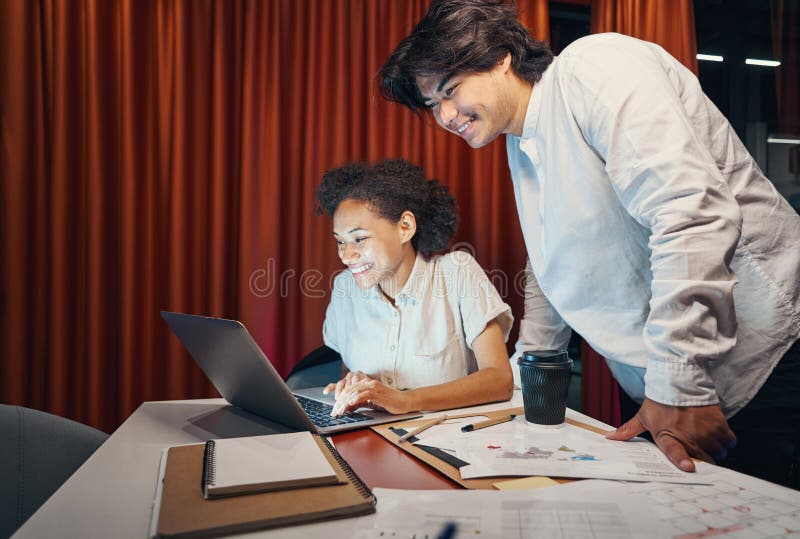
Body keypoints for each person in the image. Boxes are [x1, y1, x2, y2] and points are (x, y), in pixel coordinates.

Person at [378, 0, 800, 488]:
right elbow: (548, 265)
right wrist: (527, 383)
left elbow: (690, 216)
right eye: (433, 105)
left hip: (763, 356)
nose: (446, 116)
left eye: (451, 91)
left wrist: (676, 384)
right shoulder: (522, 140)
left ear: (500, 57)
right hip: (659, 383)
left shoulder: (594, 67)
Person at [317, 158, 514, 417]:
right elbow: (348, 368)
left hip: (449, 438)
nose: (346, 255)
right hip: (370, 436)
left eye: (359, 239)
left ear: (405, 227)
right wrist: (354, 386)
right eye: (341, 242)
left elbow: (500, 380)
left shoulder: (457, 273)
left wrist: (406, 400)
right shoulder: (345, 288)